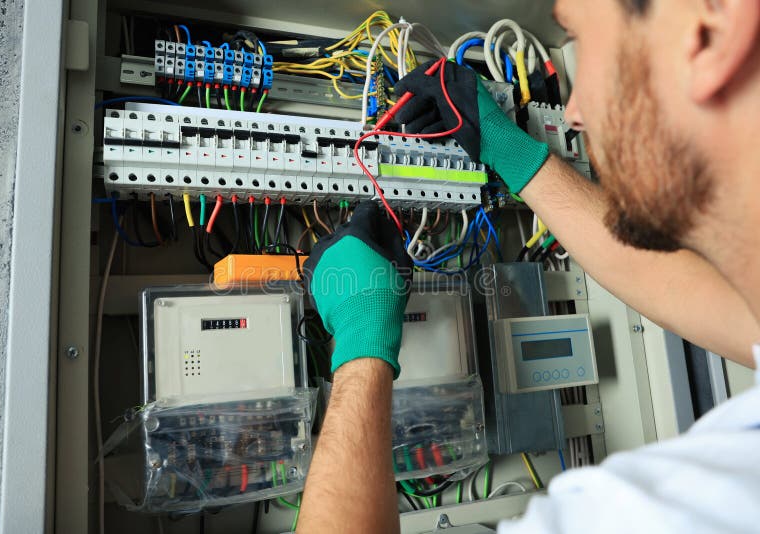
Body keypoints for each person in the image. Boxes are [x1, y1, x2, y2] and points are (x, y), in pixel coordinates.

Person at [296, 0, 760, 532]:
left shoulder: (672, 511)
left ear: (712, 28)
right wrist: (512, 152)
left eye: (587, 43)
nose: (575, 112)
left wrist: (361, 340)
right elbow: (683, 288)